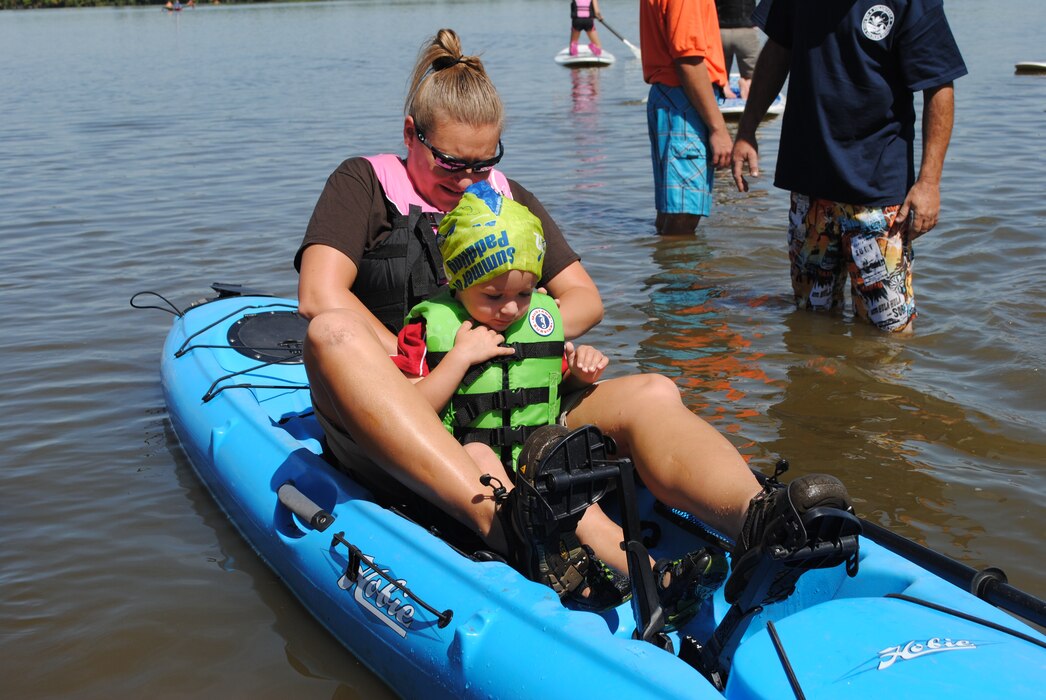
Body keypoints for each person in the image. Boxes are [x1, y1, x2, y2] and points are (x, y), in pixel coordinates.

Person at [297, 28, 852, 618]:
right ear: (412, 134)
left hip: (515, 412)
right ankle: (508, 526)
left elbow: (585, 300)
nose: (467, 181)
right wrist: (429, 362)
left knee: (652, 391)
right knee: (330, 332)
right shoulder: (363, 184)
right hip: (403, 407)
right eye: (452, 163)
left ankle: (761, 520)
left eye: (484, 163)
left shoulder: (509, 200)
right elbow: (318, 294)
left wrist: (527, 337)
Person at [731, 0, 967, 333]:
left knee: (890, 332)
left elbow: (939, 84)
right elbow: (779, 48)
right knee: (809, 320)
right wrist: (746, 129)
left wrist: (929, 182)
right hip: (809, 186)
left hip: (878, 195)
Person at [639, 0, 732, 236]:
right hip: (684, 97)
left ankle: (667, 257)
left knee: (671, 209)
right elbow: (688, 59)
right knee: (684, 212)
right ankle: (679, 261)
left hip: (670, 96)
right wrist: (719, 129)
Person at [715, 0, 760, 99]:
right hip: (746, 31)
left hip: (721, 31)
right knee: (752, 76)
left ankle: (725, 88)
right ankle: (746, 84)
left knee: (721, 73)